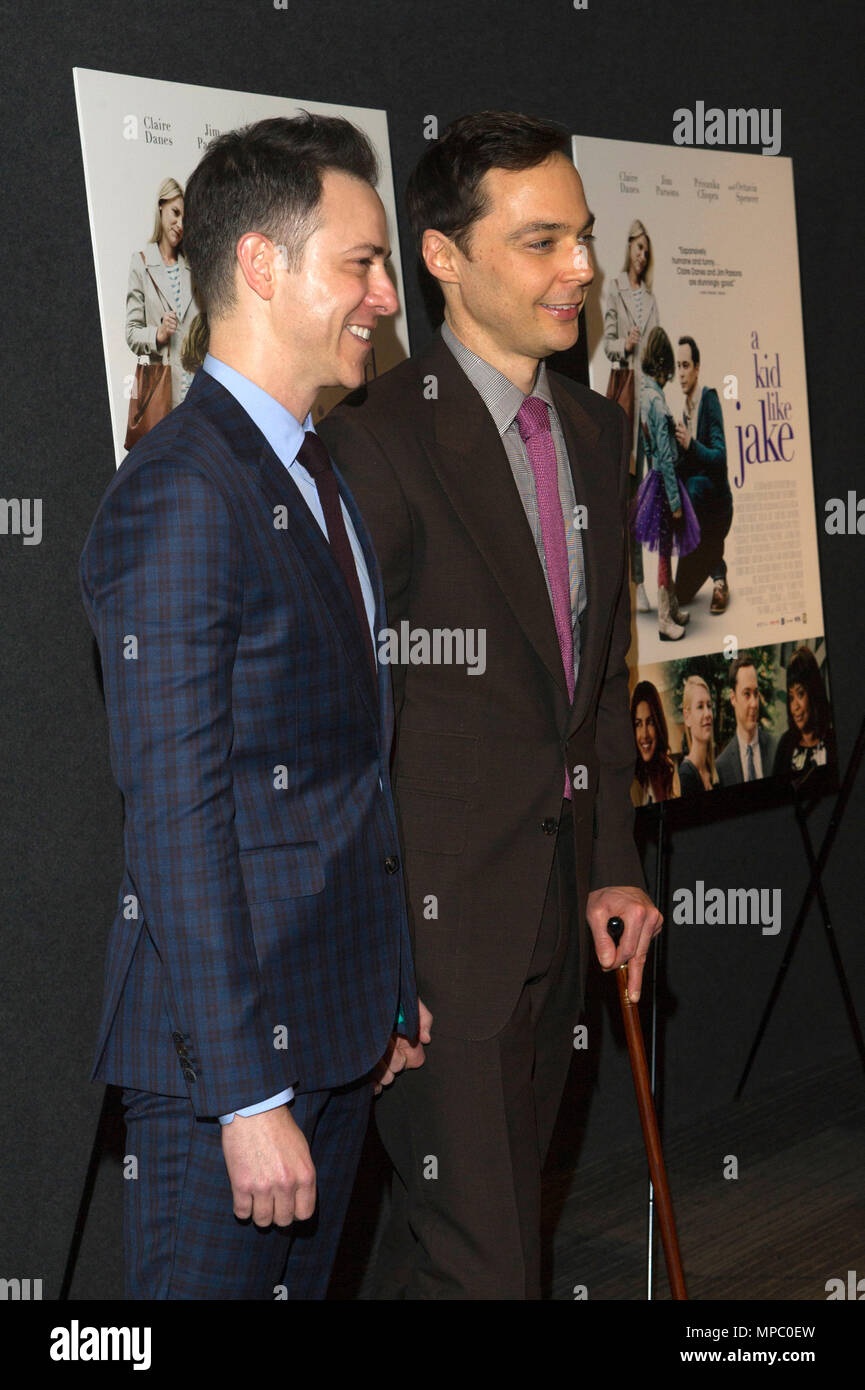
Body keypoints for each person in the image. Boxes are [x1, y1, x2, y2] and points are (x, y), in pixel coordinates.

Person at [80, 114, 426, 1301]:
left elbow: (342, 770)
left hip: (327, 1034)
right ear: (261, 267)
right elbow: (176, 815)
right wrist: (244, 1092)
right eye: (362, 264)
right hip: (224, 1073)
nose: (387, 296)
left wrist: (385, 989)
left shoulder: (313, 463)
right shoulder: (181, 493)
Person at [319, 110, 662, 1300]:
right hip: (436, 955)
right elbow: (340, 729)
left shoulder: (595, 428)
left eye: (580, 237)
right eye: (539, 242)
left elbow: (600, 680)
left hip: (561, 924)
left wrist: (614, 861)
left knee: (476, 1252)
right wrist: (374, 953)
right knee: (491, 1269)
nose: (577, 268)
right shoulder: (374, 445)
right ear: (443, 258)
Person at [603, 220, 660, 614]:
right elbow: (608, 346)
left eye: (646, 250)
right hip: (624, 402)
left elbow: (657, 358)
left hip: (647, 405)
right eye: (638, 248)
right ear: (629, 248)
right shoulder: (615, 289)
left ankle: (640, 585)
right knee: (620, 499)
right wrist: (626, 343)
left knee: (644, 500)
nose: (642, 255)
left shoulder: (651, 299)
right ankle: (621, 585)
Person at [631, 326, 700, 640]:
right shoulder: (657, 404)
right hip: (664, 484)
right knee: (664, 553)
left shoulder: (644, 396)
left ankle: (671, 609)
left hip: (653, 482)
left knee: (666, 548)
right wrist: (674, 502)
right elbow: (665, 457)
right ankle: (664, 619)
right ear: (663, 365)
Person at [125, 177, 199, 418]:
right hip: (164, 396)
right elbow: (132, 332)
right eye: (175, 213)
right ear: (161, 207)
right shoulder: (142, 263)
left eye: (184, 219)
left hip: (197, 392)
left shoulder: (193, 268)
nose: (179, 224)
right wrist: (158, 333)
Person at [673, 336, 733, 614]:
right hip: (698, 508)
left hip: (717, 506)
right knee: (682, 595)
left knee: (694, 486)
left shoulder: (709, 400)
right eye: (678, 366)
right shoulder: (684, 412)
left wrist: (691, 445)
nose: (681, 373)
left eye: (686, 365)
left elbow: (719, 460)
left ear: (697, 368)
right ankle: (717, 575)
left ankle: (719, 581)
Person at [773, 645, 836, 776]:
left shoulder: (833, 741)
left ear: (813, 692)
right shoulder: (785, 745)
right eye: (791, 698)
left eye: (800, 694)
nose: (794, 706)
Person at [716, 654, 777, 786]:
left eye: (756, 693)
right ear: (733, 698)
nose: (754, 704)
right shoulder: (722, 766)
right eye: (746, 694)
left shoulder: (777, 748)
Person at [631, 680, 681, 805]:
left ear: (658, 726)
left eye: (650, 722)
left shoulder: (671, 775)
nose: (644, 734)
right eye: (638, 724)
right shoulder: (628, 781)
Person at [678, 674, 719, 794]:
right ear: (687, 717)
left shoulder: (714, 772)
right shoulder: (685, 776)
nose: (707, 714)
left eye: (709, 706)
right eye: (700, 706)